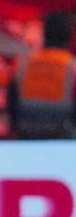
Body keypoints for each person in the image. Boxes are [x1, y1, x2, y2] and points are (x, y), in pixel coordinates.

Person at [8, 11, 75, 139]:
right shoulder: (71, 66)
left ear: (44, 34)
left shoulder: (23, 63)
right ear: (68, 35)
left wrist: (15, 126)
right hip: (62, 134)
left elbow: (12, 98)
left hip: (26, 131)